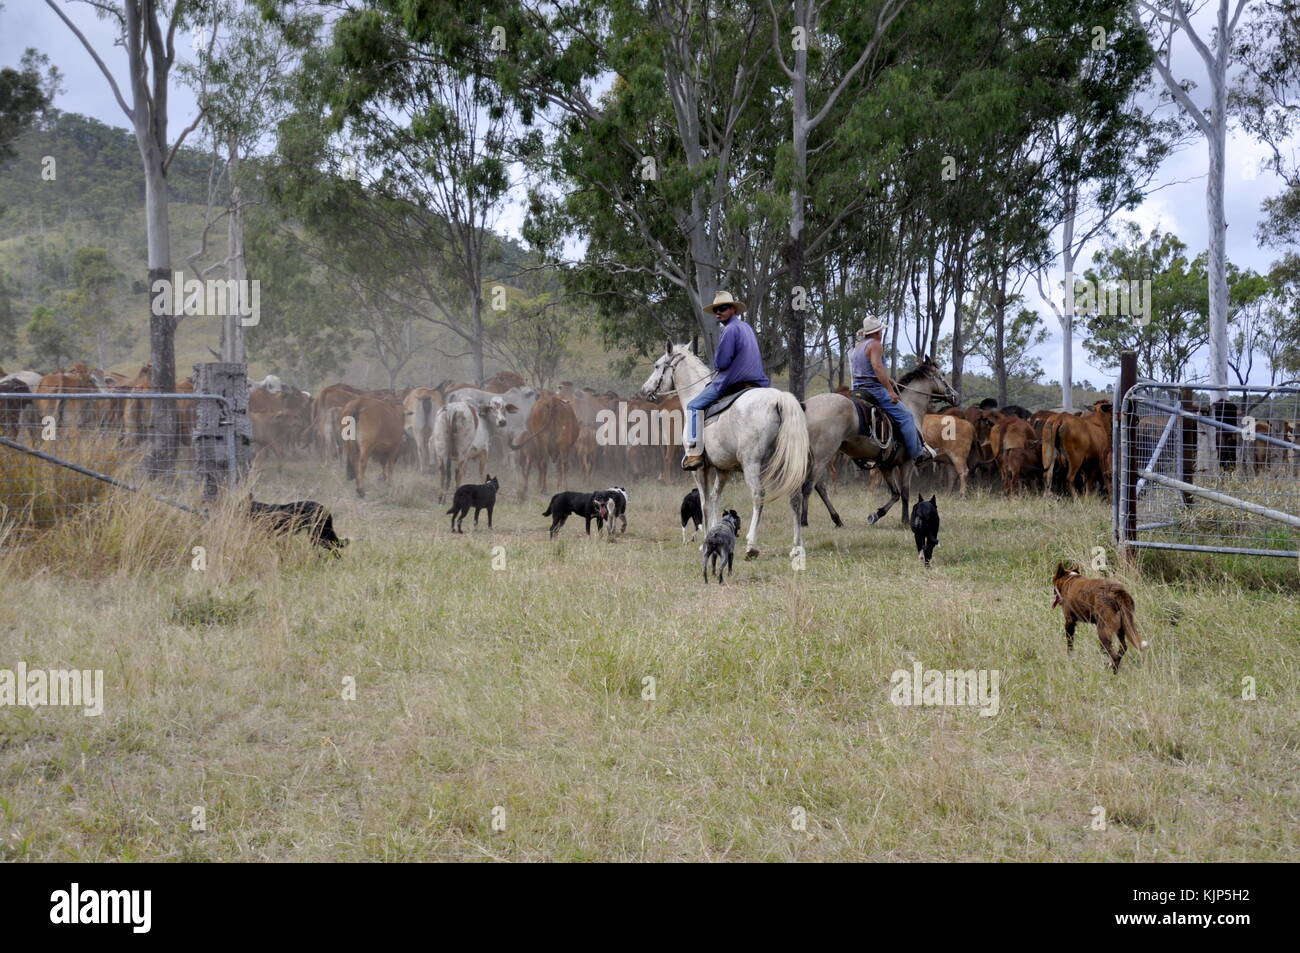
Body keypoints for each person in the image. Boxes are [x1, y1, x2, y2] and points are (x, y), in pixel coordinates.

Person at [682, 290, 770, 471]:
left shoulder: (729, 330)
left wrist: (717, 364)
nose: (718, 312)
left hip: (733, 381)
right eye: (716, 309)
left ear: (733, 310)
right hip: (759, 382)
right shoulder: (746, 328)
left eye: (722, 308)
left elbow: (722, 363)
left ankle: (694, 453)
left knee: (693, 406)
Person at [849, 314, 937, 462]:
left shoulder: (858, 346)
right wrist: (890, 390)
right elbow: (877, 367)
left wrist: (886, 378)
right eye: (880, 332)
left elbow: (868, 370)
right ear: (876, 333)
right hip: (874, 390)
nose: (881, 334)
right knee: (906, 417)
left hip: (857, 388)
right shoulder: (875, 345)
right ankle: (917, 454)